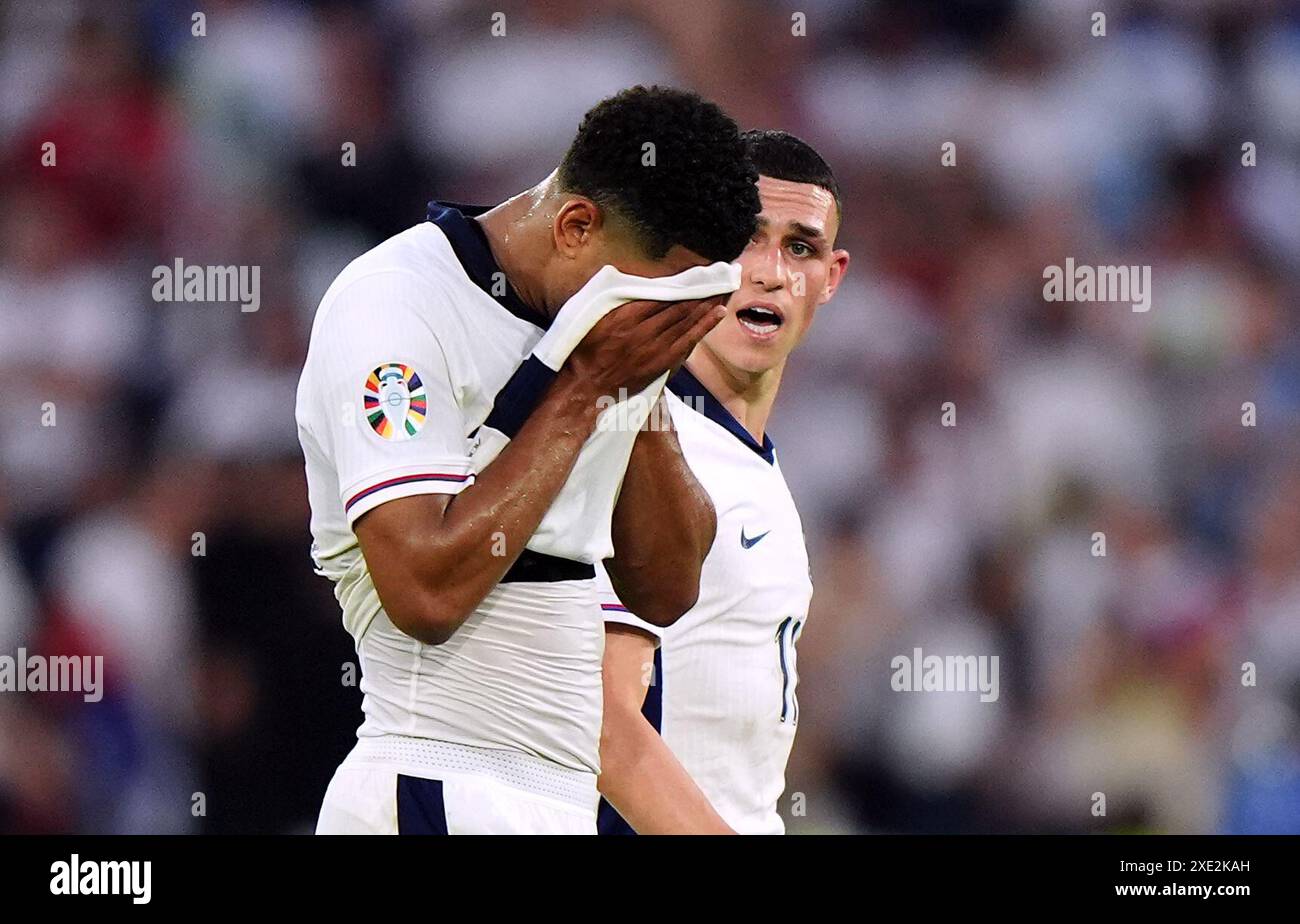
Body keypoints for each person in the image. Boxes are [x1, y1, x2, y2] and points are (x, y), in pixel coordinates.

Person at [296, 86, 761, 834]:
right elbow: (423, 594)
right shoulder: (395, 304)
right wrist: (583, 391)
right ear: (576, 225)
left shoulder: (601, 336)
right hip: (438, 779)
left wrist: (639, 390)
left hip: (552, 802)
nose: (658, 326)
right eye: (656, 302)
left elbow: (666, 589)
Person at [596, 130, 850, 834]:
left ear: (831, 277)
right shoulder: (640, 444)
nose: (768, 272)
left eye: (800, 247)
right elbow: (605, 725)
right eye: (743, 238)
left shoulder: (750, 460)